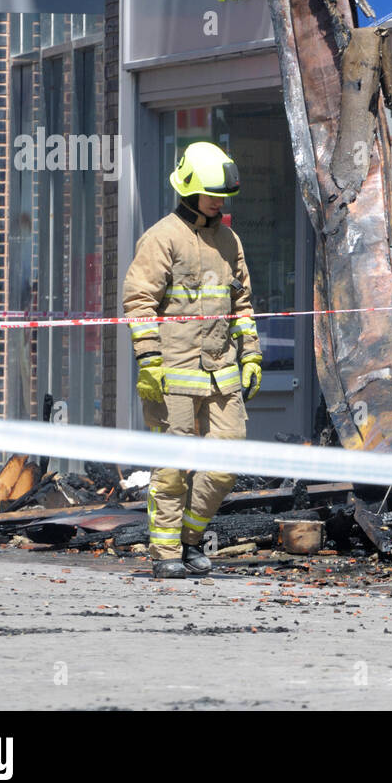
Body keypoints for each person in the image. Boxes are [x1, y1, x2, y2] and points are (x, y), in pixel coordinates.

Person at [123, 142, 263, 579]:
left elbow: (242, 303)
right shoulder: (162, 237)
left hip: (221, 374)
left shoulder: (229, 240)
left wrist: (252, 355)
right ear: (188, 190)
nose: (219, 204)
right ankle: (165, 553)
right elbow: (139, 300)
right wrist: (148, 360)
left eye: (223, 197)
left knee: (226, 463)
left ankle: (189, 538)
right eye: (212, 196)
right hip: (174, 374)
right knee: (172, 470)